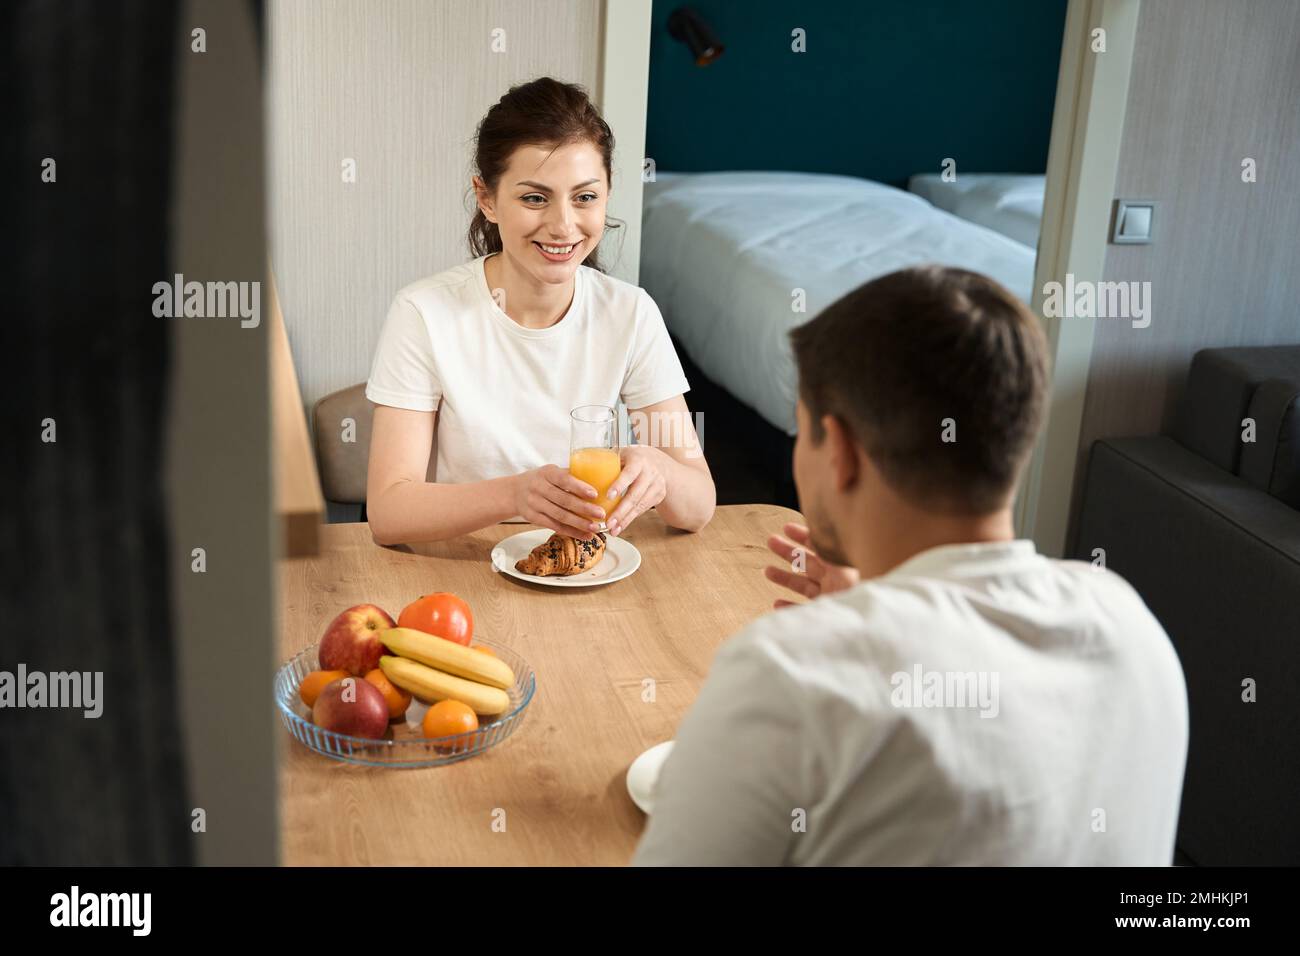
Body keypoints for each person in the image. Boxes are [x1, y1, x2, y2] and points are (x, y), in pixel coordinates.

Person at [632, 265, 1188, 865]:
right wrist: (872, 608)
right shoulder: (1132, 625)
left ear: (839, 451)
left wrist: (845, 635)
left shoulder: (793, 670)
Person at [364, 77, 714, 545]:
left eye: (584, 197)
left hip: (591, 572)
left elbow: (699, 505)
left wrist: (663, 472)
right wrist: (516, 495)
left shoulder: (631, 314)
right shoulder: (424, 313)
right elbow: (389, 511)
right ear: (487, 198)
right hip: (469, 574)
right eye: (534, 197)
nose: (563, 225)